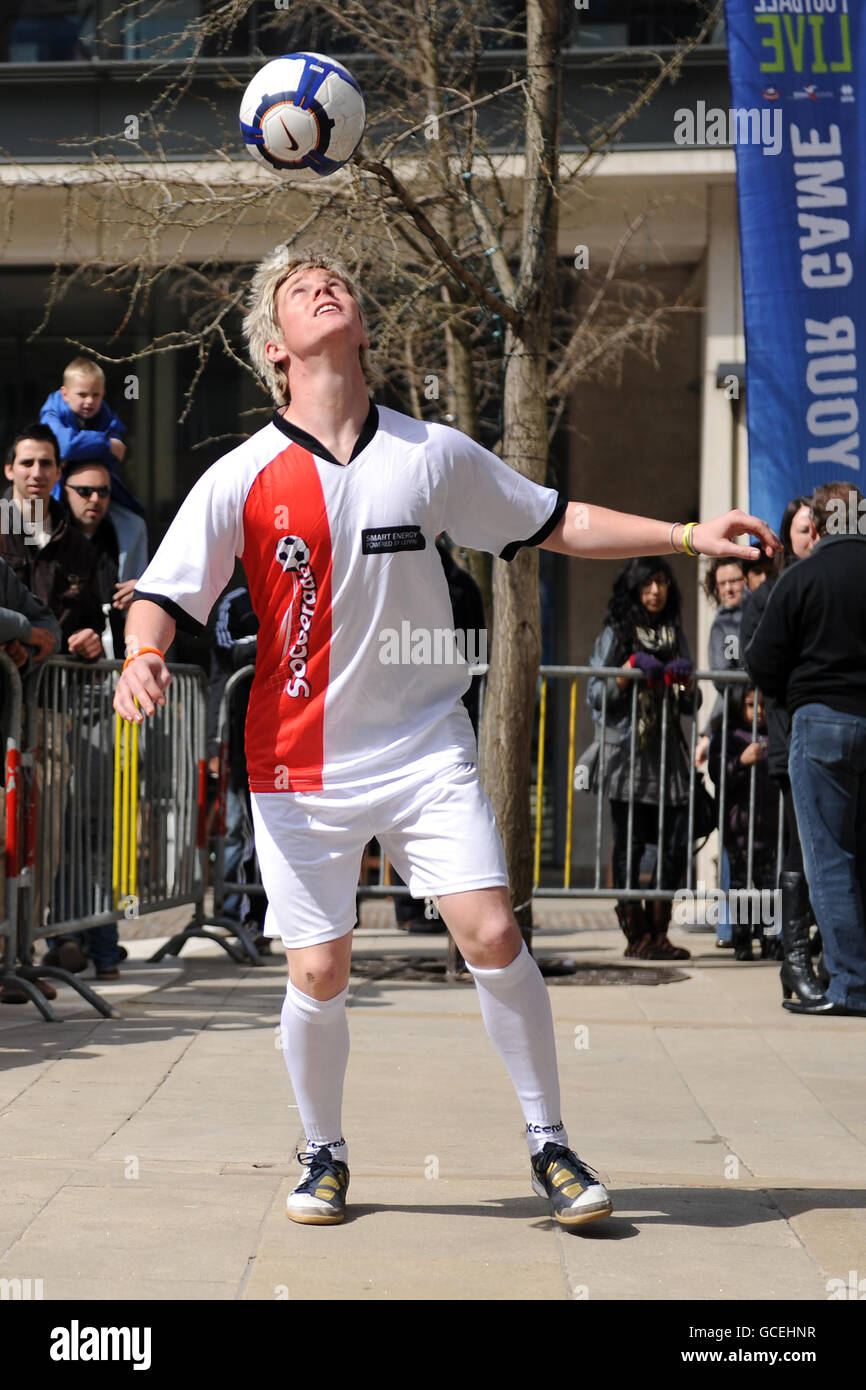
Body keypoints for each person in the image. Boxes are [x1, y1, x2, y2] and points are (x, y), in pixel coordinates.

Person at [114, 246, 778, 1229]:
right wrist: (141, 654)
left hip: (424, 749)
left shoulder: (430, 453)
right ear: (273, 349)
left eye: (335, 279)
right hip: (299, 768)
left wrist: (685, 535)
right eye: (300, 288)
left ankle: (549, 1141)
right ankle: (322, 1151)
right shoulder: (242, 476)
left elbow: (557, 519)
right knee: (319, 971)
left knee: (493, 931)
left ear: (363, 331)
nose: (324, 287)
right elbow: (164, 591)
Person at [745, 482, 866, 1017]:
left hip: (818, 724)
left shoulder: (800, 579)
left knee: (829, 862)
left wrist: (794, 689)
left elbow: (760, 662)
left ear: (815, 527)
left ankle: (850, 985)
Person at [587, 557, 696, 961]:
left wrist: (684, 682)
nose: (656, 591)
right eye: (648, 583)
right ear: (634, 588)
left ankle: (659, 932)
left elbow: (692, 702)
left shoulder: (674, 633)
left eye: (663, 582)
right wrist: (628, 670)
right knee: (629, 845)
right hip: (627, 757)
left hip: (667, 759)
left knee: (672, 845)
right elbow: (595, 696)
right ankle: (636, 936)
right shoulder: (617, 633)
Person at [741, 495, 821, 1004]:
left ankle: (828, 952)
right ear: (787, 538)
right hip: (793, 738)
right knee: (801, 845)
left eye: (816, 529)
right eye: (802, 530)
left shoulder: (837, 582)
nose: (810, 539)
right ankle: (793, 958)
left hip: (834, 734)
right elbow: (757, 663)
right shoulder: (768, 595)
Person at [40, 357, 148, 580]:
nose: (89, 401)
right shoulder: (51, 412)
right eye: (82, 395)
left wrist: (90, 446)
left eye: (96, 395)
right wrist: (104, 444)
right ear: (65, 394)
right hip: (57, 490)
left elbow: (116, 453)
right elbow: (64, 445)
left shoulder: (104, 414)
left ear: (103, 394)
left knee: (134, 521)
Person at [707, 686, 779, 961]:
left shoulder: (774, 735)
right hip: (738, 829)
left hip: (768, 826)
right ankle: (742, 939)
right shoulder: (729, 736)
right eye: (751, 704)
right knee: (738, 887)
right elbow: (717, 772)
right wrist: (741, 761)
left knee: (768, 887)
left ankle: (769, 939)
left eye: (762, 705)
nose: (758, 711)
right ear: (739, 706)